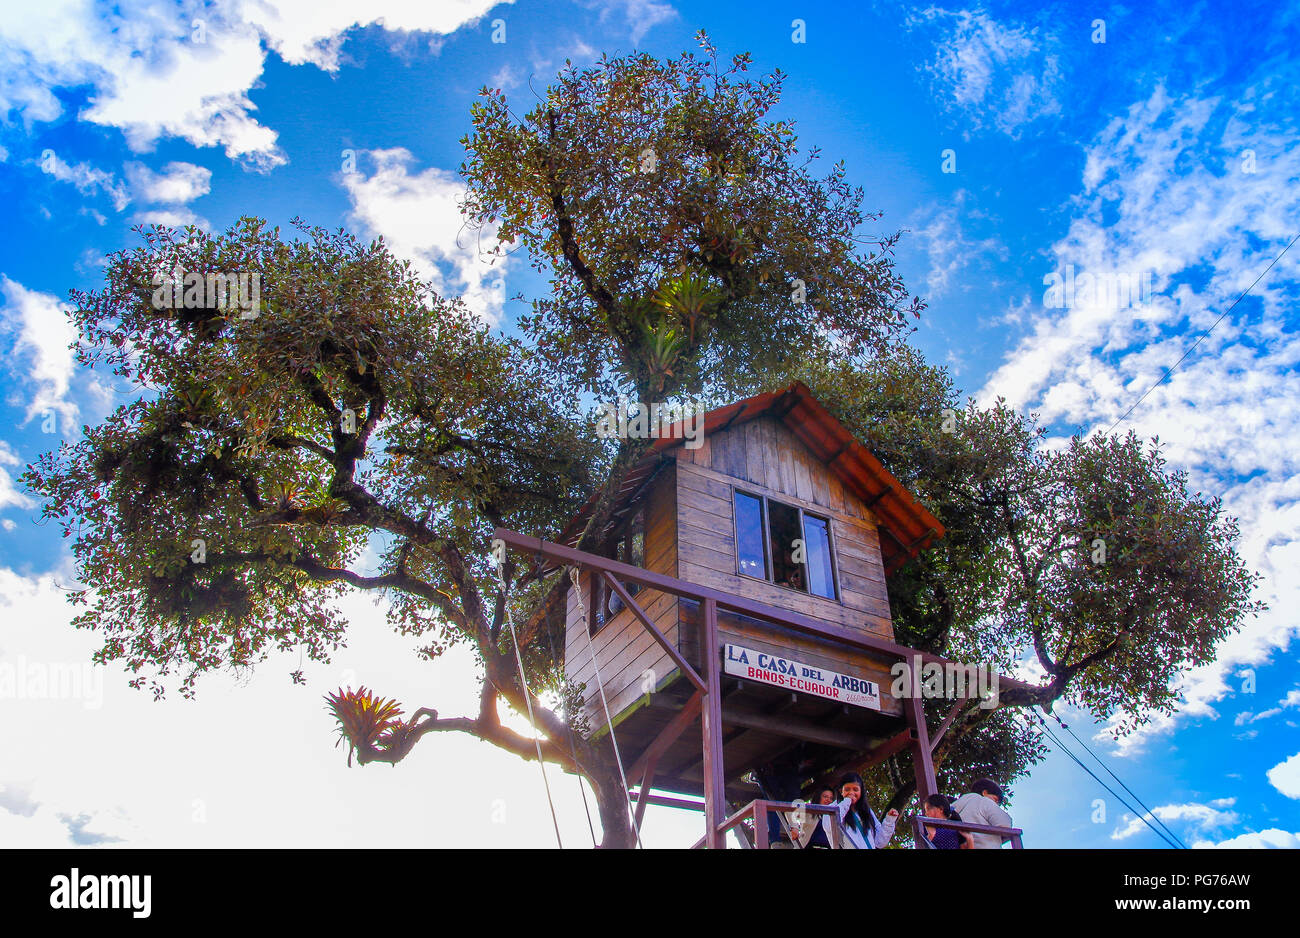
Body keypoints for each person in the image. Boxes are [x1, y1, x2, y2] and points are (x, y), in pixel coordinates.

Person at [794, 772, 897, 849]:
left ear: (861, 791)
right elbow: (829, 827)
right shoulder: (833, 808)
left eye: (855, 790)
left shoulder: (866, 811)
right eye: (847, 789)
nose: (851, 793)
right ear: (840, 791)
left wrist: (889, 821)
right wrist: (846, 802)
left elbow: (880, 842)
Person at [950, 778, 1014, 849]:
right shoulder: (985, 801)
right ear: (984, 793)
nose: (996, 804)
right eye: (995, 800)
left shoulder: (954, 805)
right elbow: (1005, 824)